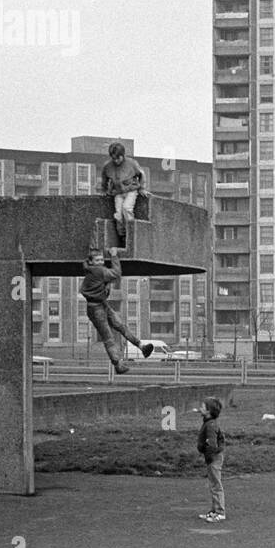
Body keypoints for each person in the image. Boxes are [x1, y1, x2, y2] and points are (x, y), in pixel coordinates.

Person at [80, 246, 159, 374]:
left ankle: (141, 347)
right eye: (97, 260)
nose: (101, 262)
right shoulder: (98, 271)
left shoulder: (89, 268)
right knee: (108, 337)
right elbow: (116, 273)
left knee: (120, 325)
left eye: (101, 260)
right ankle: (117, 364)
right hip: (95, 308)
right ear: (91, 262)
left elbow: (88, 262)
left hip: (101, 303)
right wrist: (114, 256)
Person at [100, 142, 145, 244]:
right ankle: (123, 235)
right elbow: (104, 178)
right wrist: (104, 189)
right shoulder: (108, 166)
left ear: (122, 155)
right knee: (118, 215)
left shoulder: (131, 163)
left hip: (130, 190)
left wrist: (141, 188)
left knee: (127, 209)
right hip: (118, 192)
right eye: (113, 158)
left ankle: (131, 233)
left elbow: (141, 174)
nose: (116, 161)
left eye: (118, 158)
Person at [197, 397, 227, 523]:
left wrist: (208, 456)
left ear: (209, 411)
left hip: (213, 458)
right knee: (213, 484)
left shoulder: (210, 425)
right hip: (212, 457)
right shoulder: (209, 422)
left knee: (215, 484)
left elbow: (212, 444)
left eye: (203, 406)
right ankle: (214, 510)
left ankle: (220, 512)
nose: (200, 408)